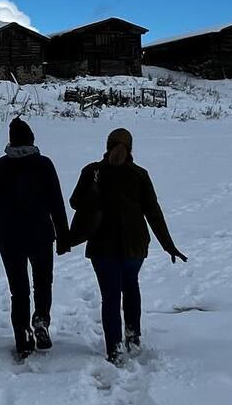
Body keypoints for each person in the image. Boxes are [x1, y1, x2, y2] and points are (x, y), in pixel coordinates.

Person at [69, 127, 187, 364]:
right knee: (131, 286)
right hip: (135, 245)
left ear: (107, 145)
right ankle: (133, 337)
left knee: (110, 296)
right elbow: (153, 213)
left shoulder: (92, 171)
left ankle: (114, 348)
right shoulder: (139, 175)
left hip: (102, 245)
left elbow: (74, 203)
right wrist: (168, 245)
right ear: (131, 148)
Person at [0, 117, 70, 360]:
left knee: (18, 290)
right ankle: (41, 319)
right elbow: (56, 201)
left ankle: (22, 336)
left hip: (9, 237)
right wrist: (63, 235)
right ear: (32, 139)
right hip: (41, 234)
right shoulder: (43, 164)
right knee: (43, 282)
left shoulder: (2, 165)